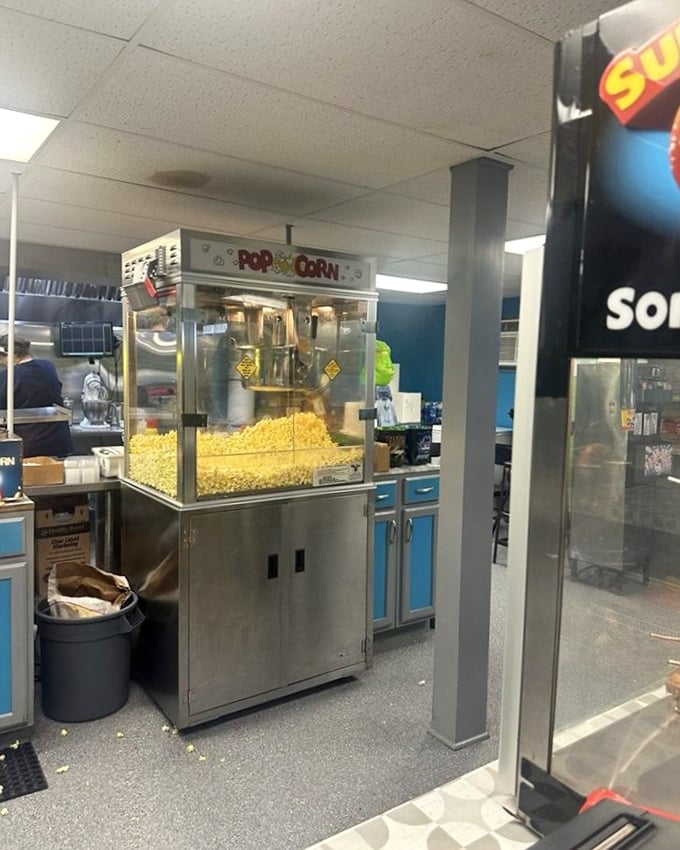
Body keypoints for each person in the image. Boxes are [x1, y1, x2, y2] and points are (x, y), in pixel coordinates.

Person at [0, 333, 74, 458]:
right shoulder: (48, 366)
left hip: (29, 446)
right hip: (58, 442)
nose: (3, 362)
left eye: (2, 358)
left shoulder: (7, 376)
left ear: (10, 354)